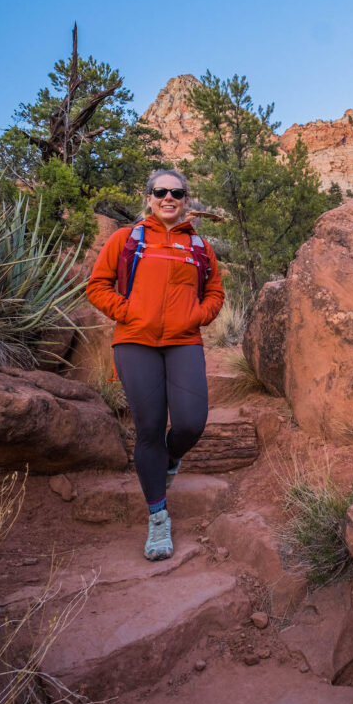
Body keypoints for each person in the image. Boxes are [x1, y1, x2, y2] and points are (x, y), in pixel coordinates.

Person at [86, 168, 225, 560]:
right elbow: (97, 286)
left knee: (190, 423)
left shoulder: (198, 246)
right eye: (161, 191)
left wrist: (198, 316)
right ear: (148, 198)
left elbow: (215, 292)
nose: (169, 198)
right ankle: (158, 518)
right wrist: (128, 312)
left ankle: (171, 457)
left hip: (184, 341)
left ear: (185, 200)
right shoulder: (126, 239)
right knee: (148, 429)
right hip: (135, 342)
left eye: (176, 193)